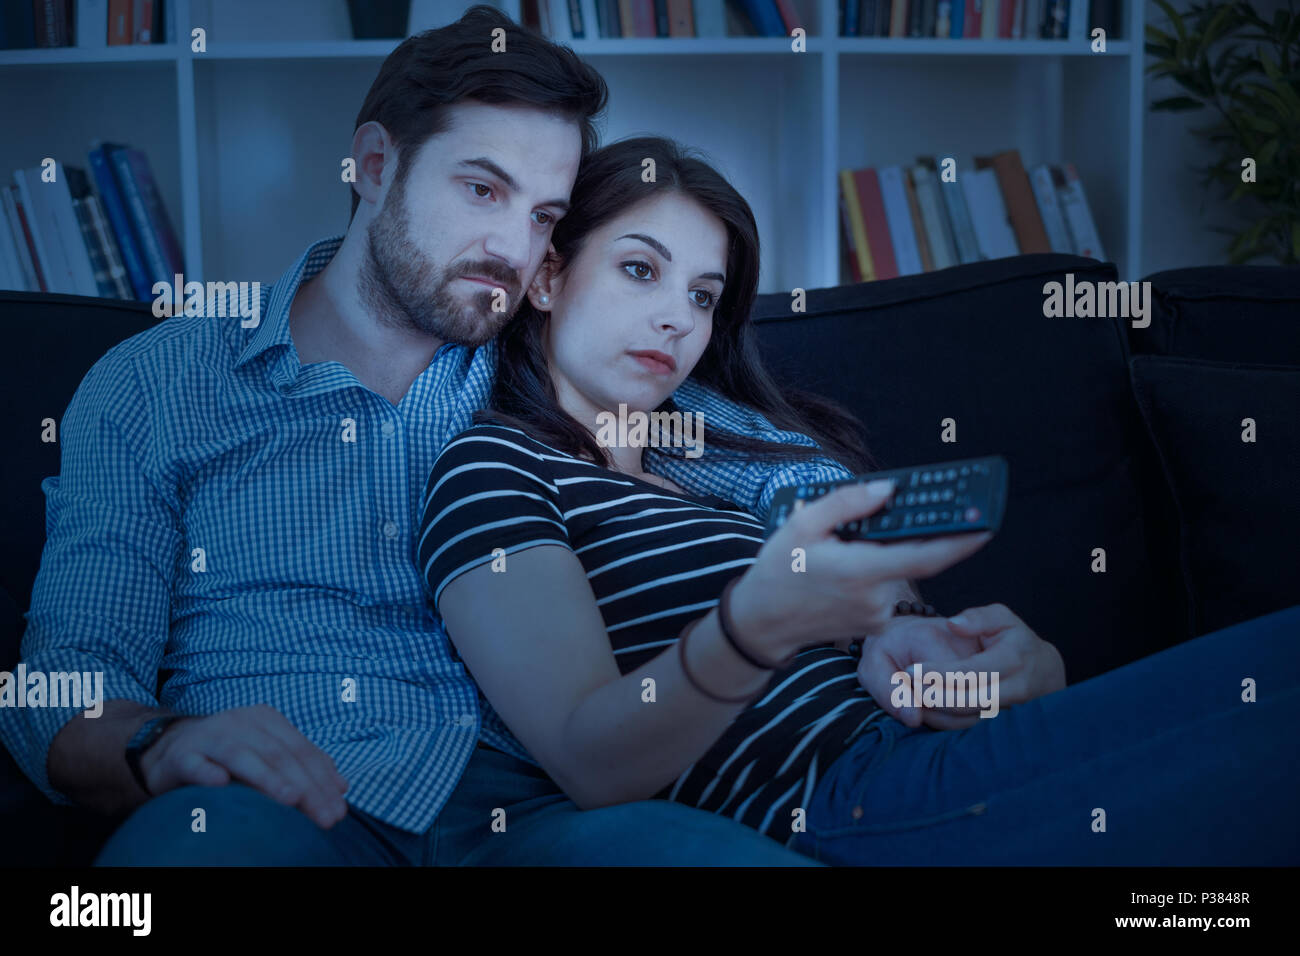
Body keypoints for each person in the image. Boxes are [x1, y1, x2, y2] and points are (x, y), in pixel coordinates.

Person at [0, 7, 896, 865]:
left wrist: (902, 619)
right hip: (277, 800)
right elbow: (62, 684)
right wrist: (160, 744)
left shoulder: (554, 355)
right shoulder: (159, 381)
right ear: (375, 164)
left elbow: (783, 473)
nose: (513, 249)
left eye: (545, 216)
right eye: (481, 189)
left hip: (544, 815)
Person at [419, 134, 1300, 864]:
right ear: (547, 280)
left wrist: (1010, 673)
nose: (677, 320)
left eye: (702, 296)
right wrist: (749, 630)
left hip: (933, 760)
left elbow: (897, 657)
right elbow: (587, 760)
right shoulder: (492, 467)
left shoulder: (716, 476)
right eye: (640, 271)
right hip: (852, 804)